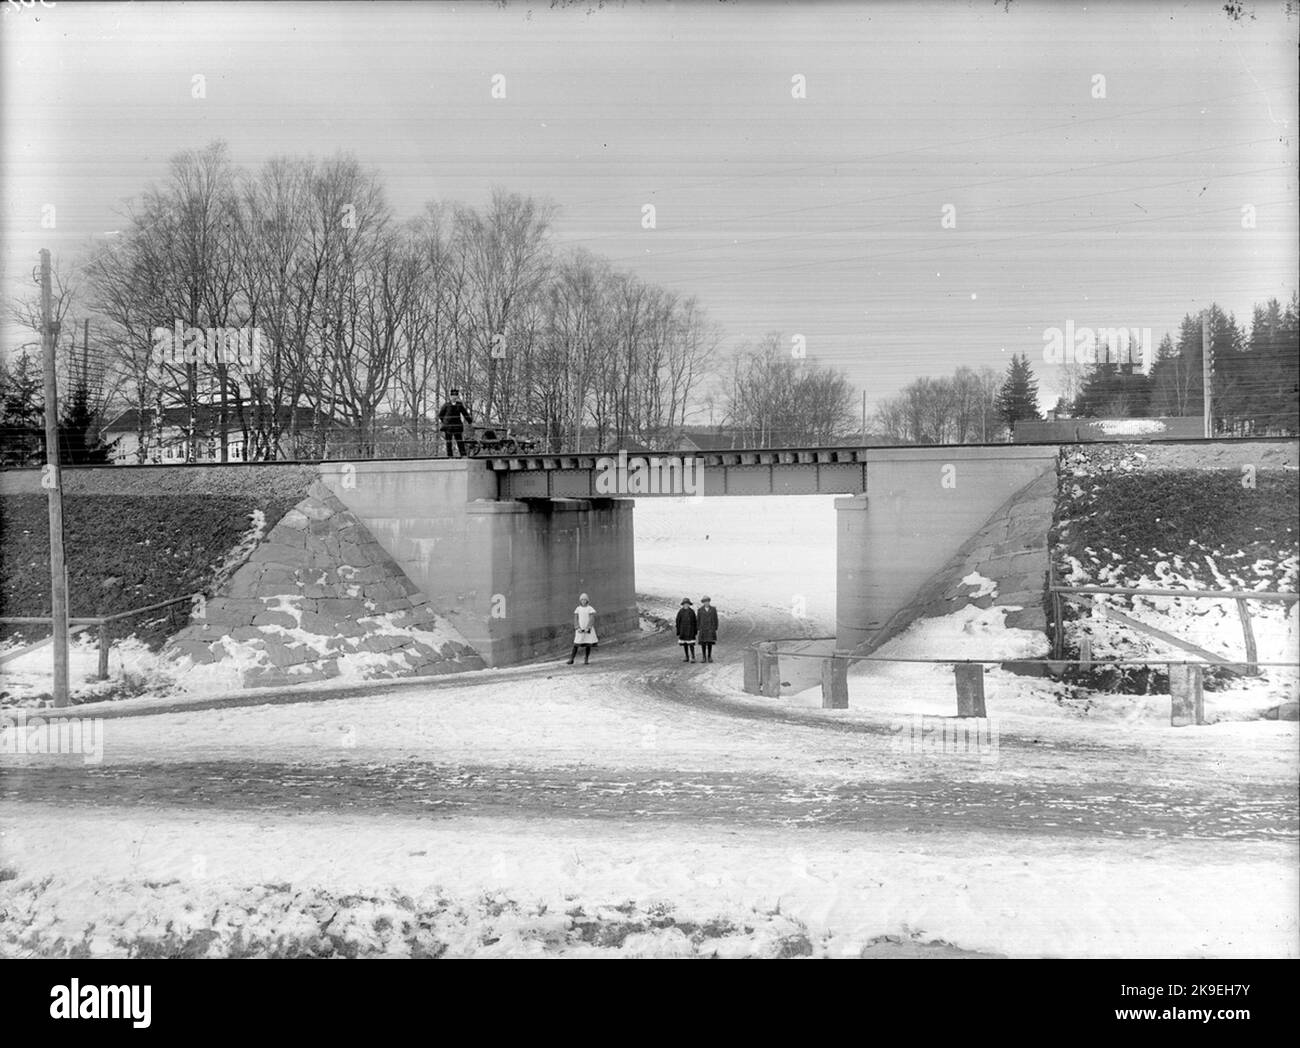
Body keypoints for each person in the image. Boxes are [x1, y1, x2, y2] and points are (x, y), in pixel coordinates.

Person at [437, 389, 473, 457]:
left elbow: (465, 413)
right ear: (450, 397)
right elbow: (440, 415)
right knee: (448, 442)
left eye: (455, 396)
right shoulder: (446, 405)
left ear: (457, 397)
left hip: (457, 426)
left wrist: (470, 421)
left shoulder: (459, 405)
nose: (454, 397)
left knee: (459, 441)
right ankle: (449, 456)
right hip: (448, 427)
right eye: (453, 396)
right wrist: (445, 422)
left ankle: (463, 455)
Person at [568, 593, 597, 665]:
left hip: (587, 629)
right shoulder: (578, 609)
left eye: (585, 600)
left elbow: (592, 619)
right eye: (582, 600)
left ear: (587, 601)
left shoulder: (590, 609)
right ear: (580, 601)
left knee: (588, 644)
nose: (583, 601)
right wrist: (577, 627)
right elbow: (575, 619)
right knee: (576, 643)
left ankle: (586, 658)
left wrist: (588, 627)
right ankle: (571, 659)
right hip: (580, 629)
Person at [696, 596, 719, 663]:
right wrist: (698, 628)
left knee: (709, 643)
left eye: (707, 601)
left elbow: (715, 619)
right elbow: (698, 620)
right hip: (703, 629)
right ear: (703, 603)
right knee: (703, 643)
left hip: (710, 629)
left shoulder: (713, 609)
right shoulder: (700, 610)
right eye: (705, 602)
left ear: (709, 602)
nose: (706, 603)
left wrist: (715, 627)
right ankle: (703, 657)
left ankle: (709, 656)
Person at [675, 597, 698, 663]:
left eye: (687, 604)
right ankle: (686, 656)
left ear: (689, 604)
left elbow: (695, 622)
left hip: (690, 631)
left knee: (691, 644)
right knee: (685, 644)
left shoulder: (691, 612)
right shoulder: (680, 612)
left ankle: (693, 657)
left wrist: (695, 630)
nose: (686, 605)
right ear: (683, 604)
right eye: (685, 604)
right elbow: (678, 621)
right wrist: (678, 630)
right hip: (683, 631)